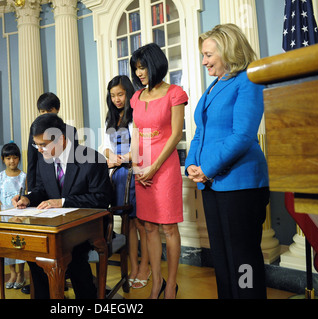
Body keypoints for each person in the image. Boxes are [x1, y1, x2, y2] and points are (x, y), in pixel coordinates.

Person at [185, 24, 269, 299]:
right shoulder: (214, 86)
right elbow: (201, 131)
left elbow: (243, 136)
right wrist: (191, 165)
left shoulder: (248, 80)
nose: (204, 61)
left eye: (208, 55)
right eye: (203, 55)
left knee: (242, 260)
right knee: (222, 259)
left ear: (228, 50)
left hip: (241, 185)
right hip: (211, 185)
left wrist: (207, 169)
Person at [12, 113, 112, 299]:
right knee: (35, 252)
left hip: (88, 227)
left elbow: (100, 199)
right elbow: (43, 189)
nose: (39, 150)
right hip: (56, 227)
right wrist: (27, 198)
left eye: (43, 145)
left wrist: (64, 202)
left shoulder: (91, 159)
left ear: (61, 139)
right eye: (37, 145)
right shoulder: (45, 160)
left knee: (72, 254)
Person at [130, 43, 188, 299]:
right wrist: (135, 165)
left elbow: (176, 135)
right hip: (142, 168)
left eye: (142, 67)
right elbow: (135, 133)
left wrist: (153, 168)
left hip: (164, 167)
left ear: (155, 64)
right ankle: (157, 283)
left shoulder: (175, 93)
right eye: (136, 69)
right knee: (149, 227)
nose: (139, 73)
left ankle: (171, 285)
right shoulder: (136, 97)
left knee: (168, 228)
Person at [102, 75, 150, 289]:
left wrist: (123, 158)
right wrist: (110, 156)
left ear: (129, 93)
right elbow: (105, 147)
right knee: (127, 225)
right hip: (119, 176)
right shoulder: (111, 118)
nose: (117, 99)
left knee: (142, 224)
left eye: (120, 94)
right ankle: (133, 267)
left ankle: (145, 267)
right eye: (112, 95)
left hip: (137, 173)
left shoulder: (137, 114)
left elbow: (142, 148)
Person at [0, 142, 26, 289]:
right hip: (4, 216)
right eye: (8, 158)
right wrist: (1, 209)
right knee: (7, 247)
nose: (12, 161)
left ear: (19, 158)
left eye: (15, 157)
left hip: (20, 216)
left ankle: (21, 273)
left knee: (20, 245)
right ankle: (12, 273)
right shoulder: (0, 176)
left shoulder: (24, 176)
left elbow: (27, 196)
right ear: (3, 159)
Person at [26, 92, 78, 192]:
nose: (45, 115)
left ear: (57, 109)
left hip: (67, 181)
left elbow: (74, 160)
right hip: (44, 180)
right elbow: (32, 161)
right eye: (42, 111)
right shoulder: (35, 131)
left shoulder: (70, 130)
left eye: (49, 111)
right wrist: (31, 191)